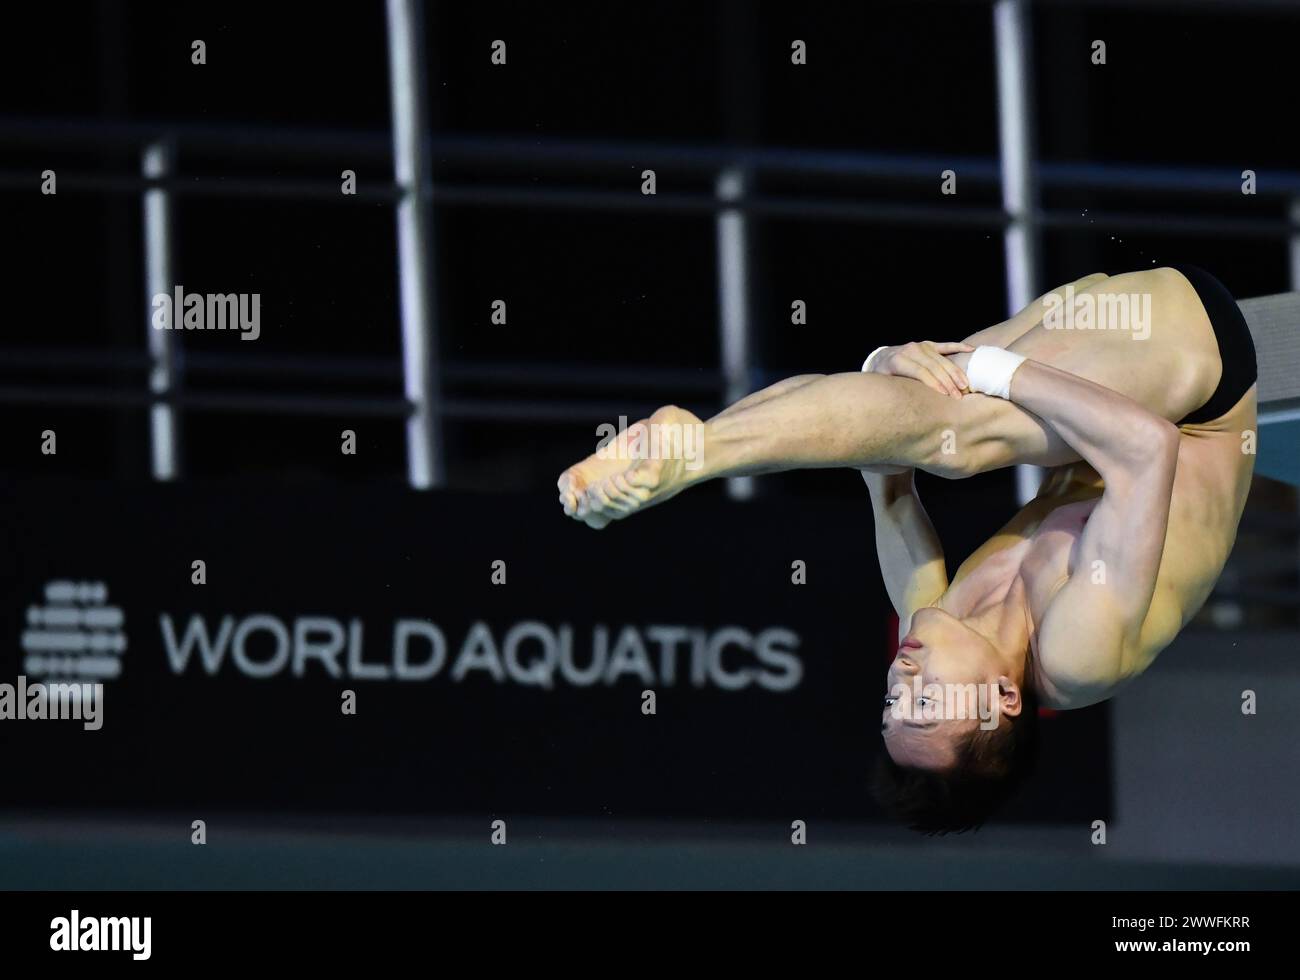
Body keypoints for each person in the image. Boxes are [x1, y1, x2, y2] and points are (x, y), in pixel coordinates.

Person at [557, 266, 1257, 832]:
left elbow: (883, 470)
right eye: (925, 703)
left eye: (891, 704)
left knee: (935, 404)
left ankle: (697, 448)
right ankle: (699, 454)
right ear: (1004, 699)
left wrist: (885, 360)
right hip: (1196, 378)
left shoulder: (936, 616)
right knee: (966, 434)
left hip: (1099, 339)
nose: (901, 679)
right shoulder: (1079, 656)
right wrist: (993, 371)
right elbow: (1145, 449)